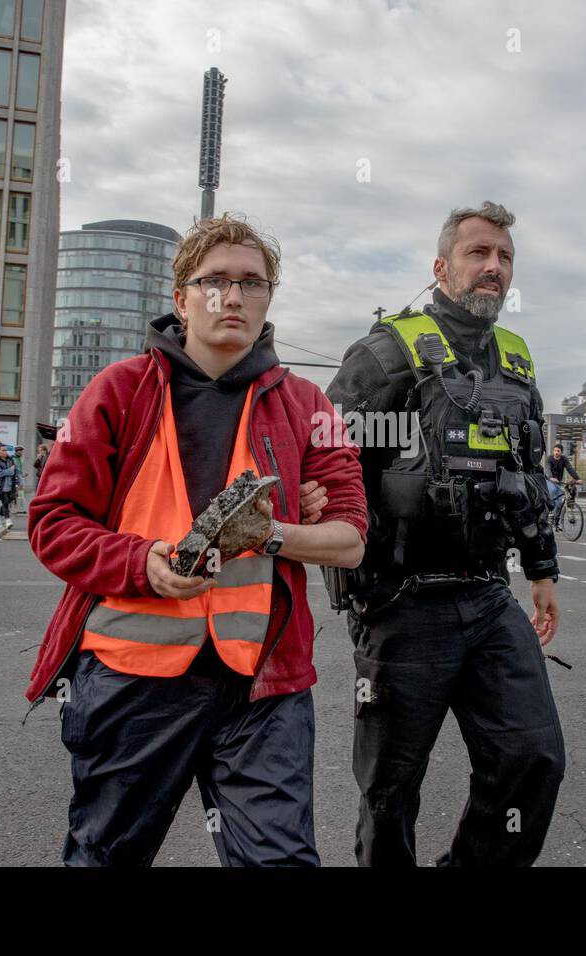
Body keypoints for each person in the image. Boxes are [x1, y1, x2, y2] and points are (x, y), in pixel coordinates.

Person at [27, 213, 368, 867]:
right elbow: (52, 522)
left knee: (281, 863)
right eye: (215, 282)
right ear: (181, 297)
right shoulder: (118, 392)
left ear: (269, 298)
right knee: (105, 858)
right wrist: (142, 561)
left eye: (251, 283)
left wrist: (271, 533)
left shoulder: (306, 404)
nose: (232, 297)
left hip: (262, 686)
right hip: (132, 680)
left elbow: (350, 538)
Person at [326, 201, 566, 867]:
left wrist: (542, 570)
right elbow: (327, 464)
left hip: (489, 597)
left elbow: (528, 466)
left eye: (505, 257)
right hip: (403, 604)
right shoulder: (386, 352)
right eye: (479, 253)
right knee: (390, 790)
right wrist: (361, 590)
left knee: (533, 757)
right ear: (440, 267)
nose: (494, 267)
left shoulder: (515, 359)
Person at [545, 444, 580, 530]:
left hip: (559, 482)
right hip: (549, 480)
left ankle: (556, 521)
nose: (556, 453)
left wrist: (577, 479)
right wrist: (551, 477)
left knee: (560, 502)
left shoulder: (564, 459)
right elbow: (547, 469)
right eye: (555, 451)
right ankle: (549, 510)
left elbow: (570, 469)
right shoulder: (549, 459)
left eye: (558, 451)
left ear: (561, 452)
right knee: (553, 490)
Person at [0, 446, 19, 531]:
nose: (5, 452)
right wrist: (10, 471)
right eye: (3, 450)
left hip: (11, 486)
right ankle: (8, 520)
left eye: (6, 450)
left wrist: (20, 482)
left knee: (6, 503)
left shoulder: (10, 460)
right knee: (5, 502)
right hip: (1, 486)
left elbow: (16, 471)